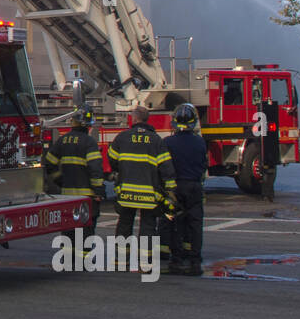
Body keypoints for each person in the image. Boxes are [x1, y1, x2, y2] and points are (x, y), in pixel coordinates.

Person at [108, 105, 176, 267]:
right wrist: (171, 191)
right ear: (147, 120)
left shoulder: (122, 138)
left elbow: (112, 160)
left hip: (126, 194)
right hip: (149, 195)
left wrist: (122, 171)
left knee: (124, 224)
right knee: (148, 227)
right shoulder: (156, 140)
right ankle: (145, 263)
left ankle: (120, 261)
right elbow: (166, 168)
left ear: (134, 119)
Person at [160, 104, 208, 276]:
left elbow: (164, 167)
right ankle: (195, 259)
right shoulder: (200, 142)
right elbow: (203, 165)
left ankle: (177, 259)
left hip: (175, 188)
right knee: (195, 224)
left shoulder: (167, 142)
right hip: (194, 186)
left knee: (175, 223)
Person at [44, 109, 104, 239]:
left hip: (67, 196)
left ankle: (68, 258)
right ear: (87, 125)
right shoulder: (89, 143)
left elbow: (48, 163)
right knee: (86, 234)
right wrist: (98, 191)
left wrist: (60, 180)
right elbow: (95, 169)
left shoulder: (62, 140)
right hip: (87, 197)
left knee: (68, 232)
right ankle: (84, 258)